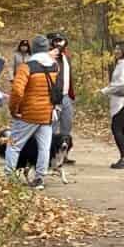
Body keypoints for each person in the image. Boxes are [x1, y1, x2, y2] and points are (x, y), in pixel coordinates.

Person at [5, 33, 63, 188]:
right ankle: (39, 178)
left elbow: (17, 91)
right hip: (47, 113)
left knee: (14, 145)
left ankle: (9, 177)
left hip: (28, 113)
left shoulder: (27, 67)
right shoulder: (54, 66)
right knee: (44, 147)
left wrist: (13, 109)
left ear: (33, 48)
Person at [50, 32, 76, 172]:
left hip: (66, 96)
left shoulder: (67, 56)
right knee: (53, 126)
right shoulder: (51, 57)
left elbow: (69, 76)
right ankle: (51, 155)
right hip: (55, 97)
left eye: (61, 40)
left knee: (67, 125)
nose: (59, 43)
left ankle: (64, 155)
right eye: (56, 40)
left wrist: (71, 93)